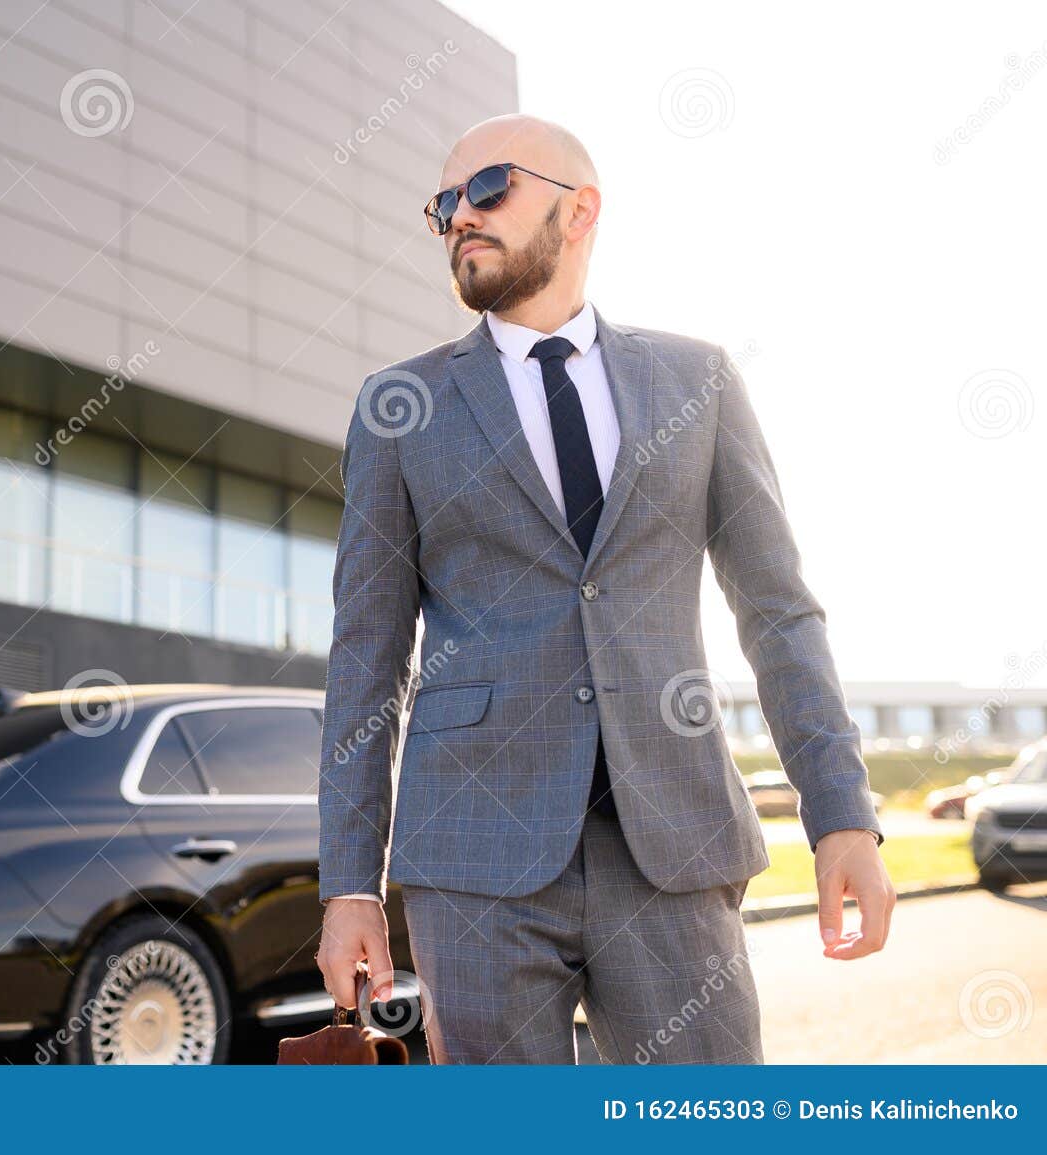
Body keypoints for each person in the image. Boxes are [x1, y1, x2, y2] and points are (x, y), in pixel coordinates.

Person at [315, 114, 893, 1064]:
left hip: (672, 841)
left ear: (579, 208)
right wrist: (349, 884)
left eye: (488, 188)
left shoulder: (696, 381)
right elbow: (364, 658)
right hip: (474, 856)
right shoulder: (398, 407)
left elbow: (779, 611)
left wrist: (841, 814)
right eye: (443, 205)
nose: (461, 216)